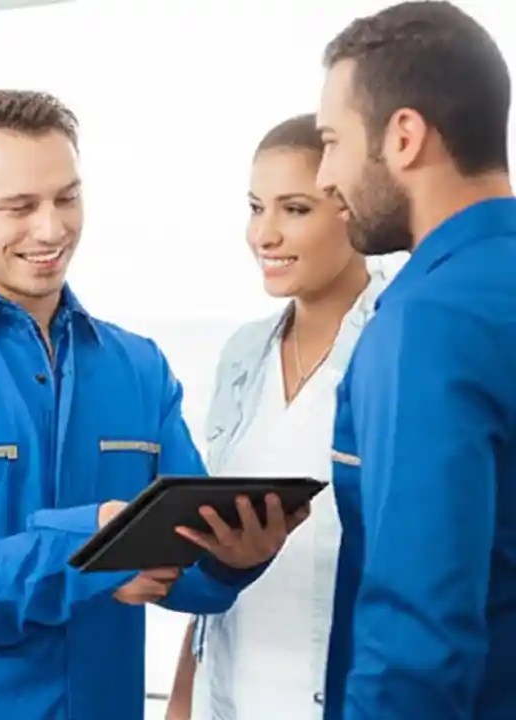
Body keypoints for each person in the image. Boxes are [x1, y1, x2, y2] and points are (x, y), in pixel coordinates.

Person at [0, 89, 308, 720]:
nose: (52, 229)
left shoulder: (138, 368)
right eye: (20, 206)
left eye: (67, 198)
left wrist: (232, 563)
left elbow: (185, 576)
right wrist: (87, 551)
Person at [313, 2, 516, 718]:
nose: (326, 175)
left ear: (404, 136)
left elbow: (419, 641)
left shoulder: (427, 323)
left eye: (332, 141)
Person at [162, 114, 389, 720]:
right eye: (256, 208)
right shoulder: (245, 354)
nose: (264, 234)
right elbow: (216, 544)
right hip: (229, 696)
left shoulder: (397, 345)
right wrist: (181, 702)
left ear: (353, 210)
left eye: (294, 209)